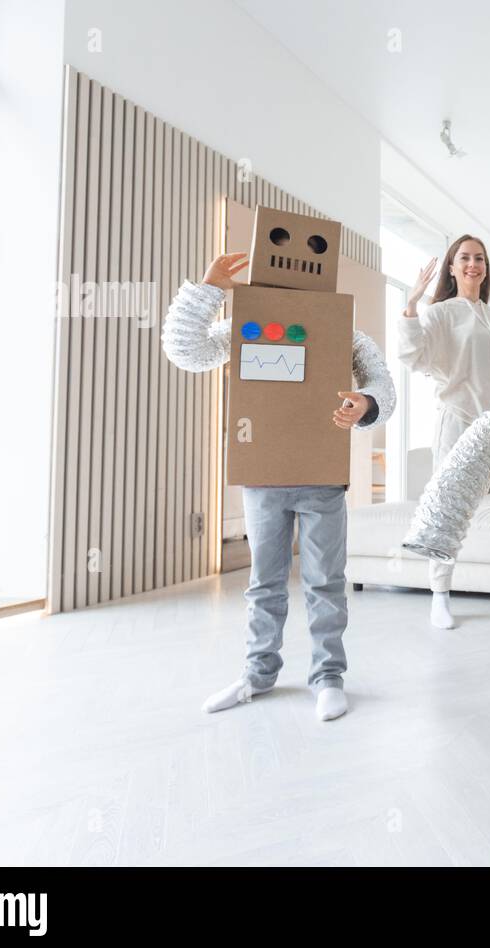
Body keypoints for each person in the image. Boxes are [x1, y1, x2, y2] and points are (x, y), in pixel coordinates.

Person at [162, 252, 396, 720]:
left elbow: (382, 385)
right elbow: (186, 351)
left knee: (324, 582)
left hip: (322, 481)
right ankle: (257, 674)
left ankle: (328, 677)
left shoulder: (344, 333)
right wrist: (209, 289)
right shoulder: (245, 325)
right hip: (264, 478)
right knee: (264, 584)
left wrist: (365, 402)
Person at [398, 235, 490, 629]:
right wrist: (411, 305)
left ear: (486, 268)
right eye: (464, 258)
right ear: (453, 268)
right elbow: (411, 356)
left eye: (479, 258)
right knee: (449, 513)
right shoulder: (440, 314)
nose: (473, 264)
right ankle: (440, 596)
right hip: (458, 423)